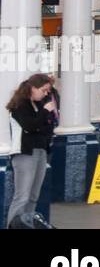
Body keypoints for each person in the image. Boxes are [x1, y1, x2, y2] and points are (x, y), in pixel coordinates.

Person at [6, 73, 58, 229]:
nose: (46, 94)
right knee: (22, 196)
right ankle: (13, 226)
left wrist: (42, 117)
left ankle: (26, 224)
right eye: (44, 90)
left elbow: (44, 128)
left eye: (47, 91)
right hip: (24, 153)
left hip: (40, 151)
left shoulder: (37, 104)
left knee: (33, 196)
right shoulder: (20, 105)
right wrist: (44, 112)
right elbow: (30, 126)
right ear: (32, 88)